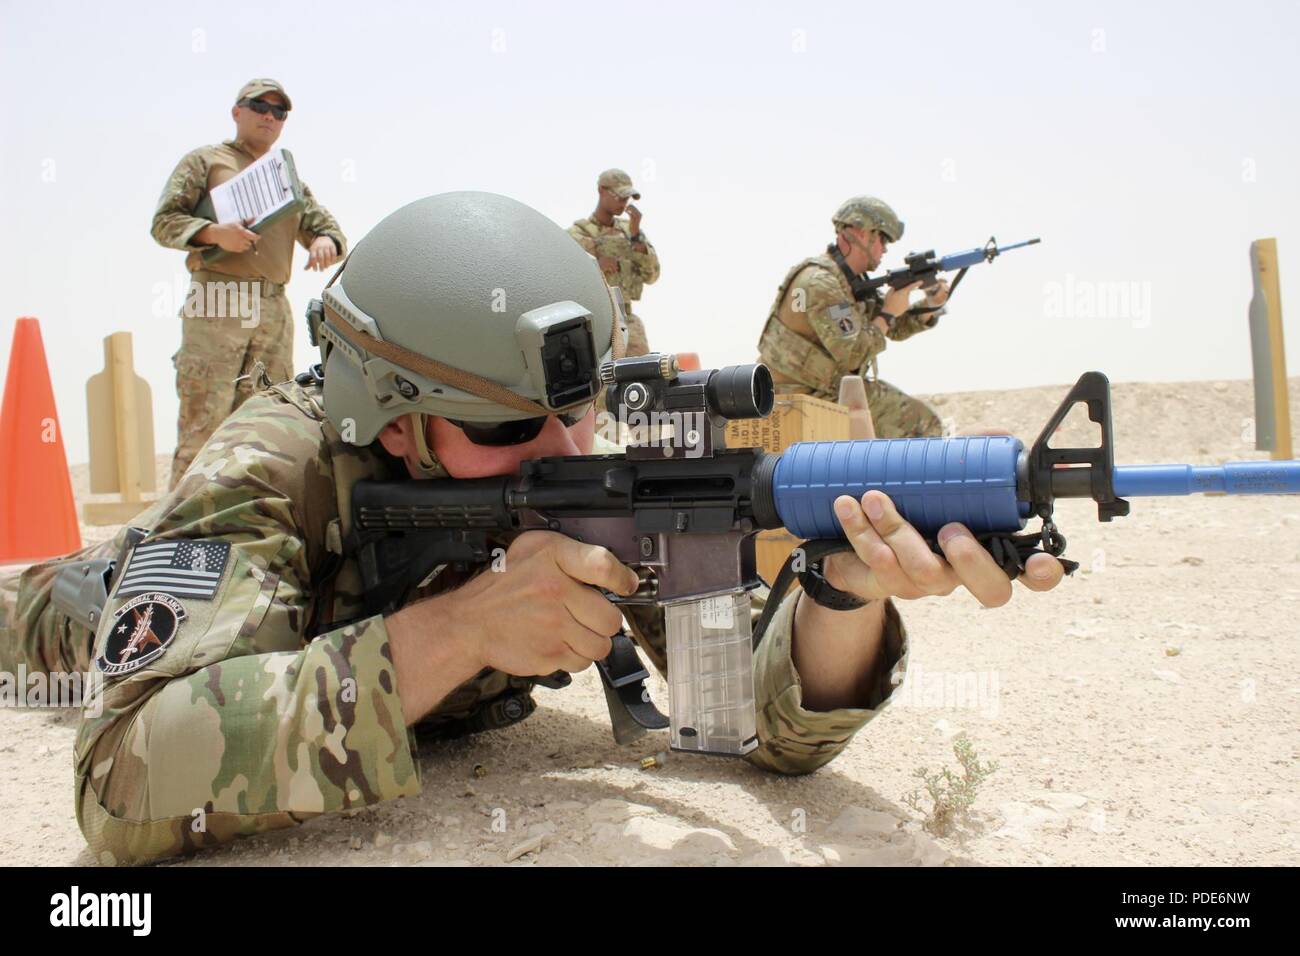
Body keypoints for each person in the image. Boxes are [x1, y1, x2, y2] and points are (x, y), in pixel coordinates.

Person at [0, 192, 1063, 865]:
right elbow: (123, 782)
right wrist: (455, 634)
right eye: (510, 423)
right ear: (395, 421)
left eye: (582, 403)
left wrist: (844, 593)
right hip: (115, 603)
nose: (561, 445)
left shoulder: (601, 463)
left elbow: (753, 723)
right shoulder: (270, 465)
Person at [151, 77, 348, 489]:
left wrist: (326, 240)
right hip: (218, 296)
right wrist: (212, 232)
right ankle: (177, 533)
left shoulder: (283, 175)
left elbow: (321, 223)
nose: (269, 117)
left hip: (273, 305)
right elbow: (164, 222)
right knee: (203, 421)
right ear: (237, 111)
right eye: (260, 106)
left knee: (269, 421)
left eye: (279, 112)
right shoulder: (207, 161)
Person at [757, 196, 949, 438]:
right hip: (798, 397)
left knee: (911, 422)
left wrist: (931, 304)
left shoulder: (847, 282)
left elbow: (894, 328)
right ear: (860, 233)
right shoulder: (821, 284)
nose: (885, 248)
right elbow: (853, 354)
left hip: (822, 391)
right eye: (882, 238)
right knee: (921, 425)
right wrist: (888, 312)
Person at [568, 168, 660, 356]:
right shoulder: (578, 233)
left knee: (641, 374)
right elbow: (564, 275)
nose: (624, 203)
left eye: (627, 199)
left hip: (626, 318)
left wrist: (635, 235)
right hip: (593, 320)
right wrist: (595, 268)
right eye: (619, 196)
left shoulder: (630, 231)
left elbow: (652, 275)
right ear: (601, 190)